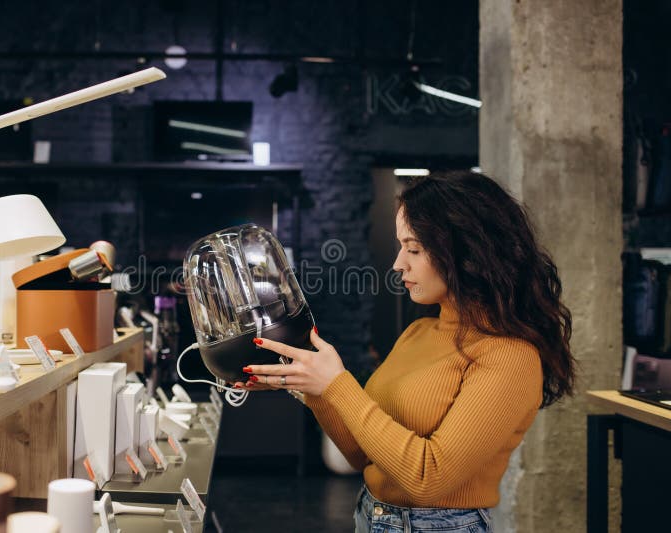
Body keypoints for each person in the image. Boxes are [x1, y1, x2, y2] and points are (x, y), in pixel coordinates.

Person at [233, 171, 576, 533]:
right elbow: (361, 455)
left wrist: (338, 385)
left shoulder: (510, 357)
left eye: (413, 249)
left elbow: (428, 479)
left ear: (467, 251)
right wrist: (314, 389)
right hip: (371, 515)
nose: (399, 264)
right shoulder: (419, 331)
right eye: (401, 247)